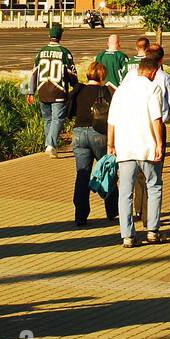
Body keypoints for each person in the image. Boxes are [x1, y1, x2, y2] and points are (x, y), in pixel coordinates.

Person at [107, 57, 165, 247]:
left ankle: (128, 235)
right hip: (147, 146)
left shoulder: (121, 91)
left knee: (125, 192)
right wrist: (159, 144)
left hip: (125, 148)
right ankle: (152, 231)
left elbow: (112, 120)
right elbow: (157, 119)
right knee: (154, 187)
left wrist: (111, 144)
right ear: (153, 72)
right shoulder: (152, 89)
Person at [66, 62, 117, 225]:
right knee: (108, 170)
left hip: (79, 133)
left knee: (82, 174)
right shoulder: (106, 91)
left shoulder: (79, 90)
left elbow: (71, 111)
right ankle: (112, 211)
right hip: (99, 134)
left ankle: (80, 215)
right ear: (102, 76)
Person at [28, 23, 77, 157]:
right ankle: (51, 144)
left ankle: (49, 145)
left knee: (47, 119)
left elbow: (34, 72)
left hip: (42, 89)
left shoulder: (41, 52)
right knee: (58, 119)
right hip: (58, 90)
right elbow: (71, 73)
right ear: (60, 37)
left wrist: (31, 91)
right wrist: (75, 86)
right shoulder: (64, 52)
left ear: (49, 36)